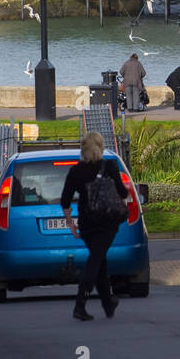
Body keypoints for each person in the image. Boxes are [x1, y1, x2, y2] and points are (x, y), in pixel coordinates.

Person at [60, 131, 130, 320]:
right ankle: (80, 304)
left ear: (83, 149)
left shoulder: (76, 171)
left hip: (87, 223)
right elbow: (122, 193)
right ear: (100, 147)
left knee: (99, 260)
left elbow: (65, 200)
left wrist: (71, 225)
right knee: (95, 261)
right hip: (107, 222)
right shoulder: (110, 166)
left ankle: (108, 302)